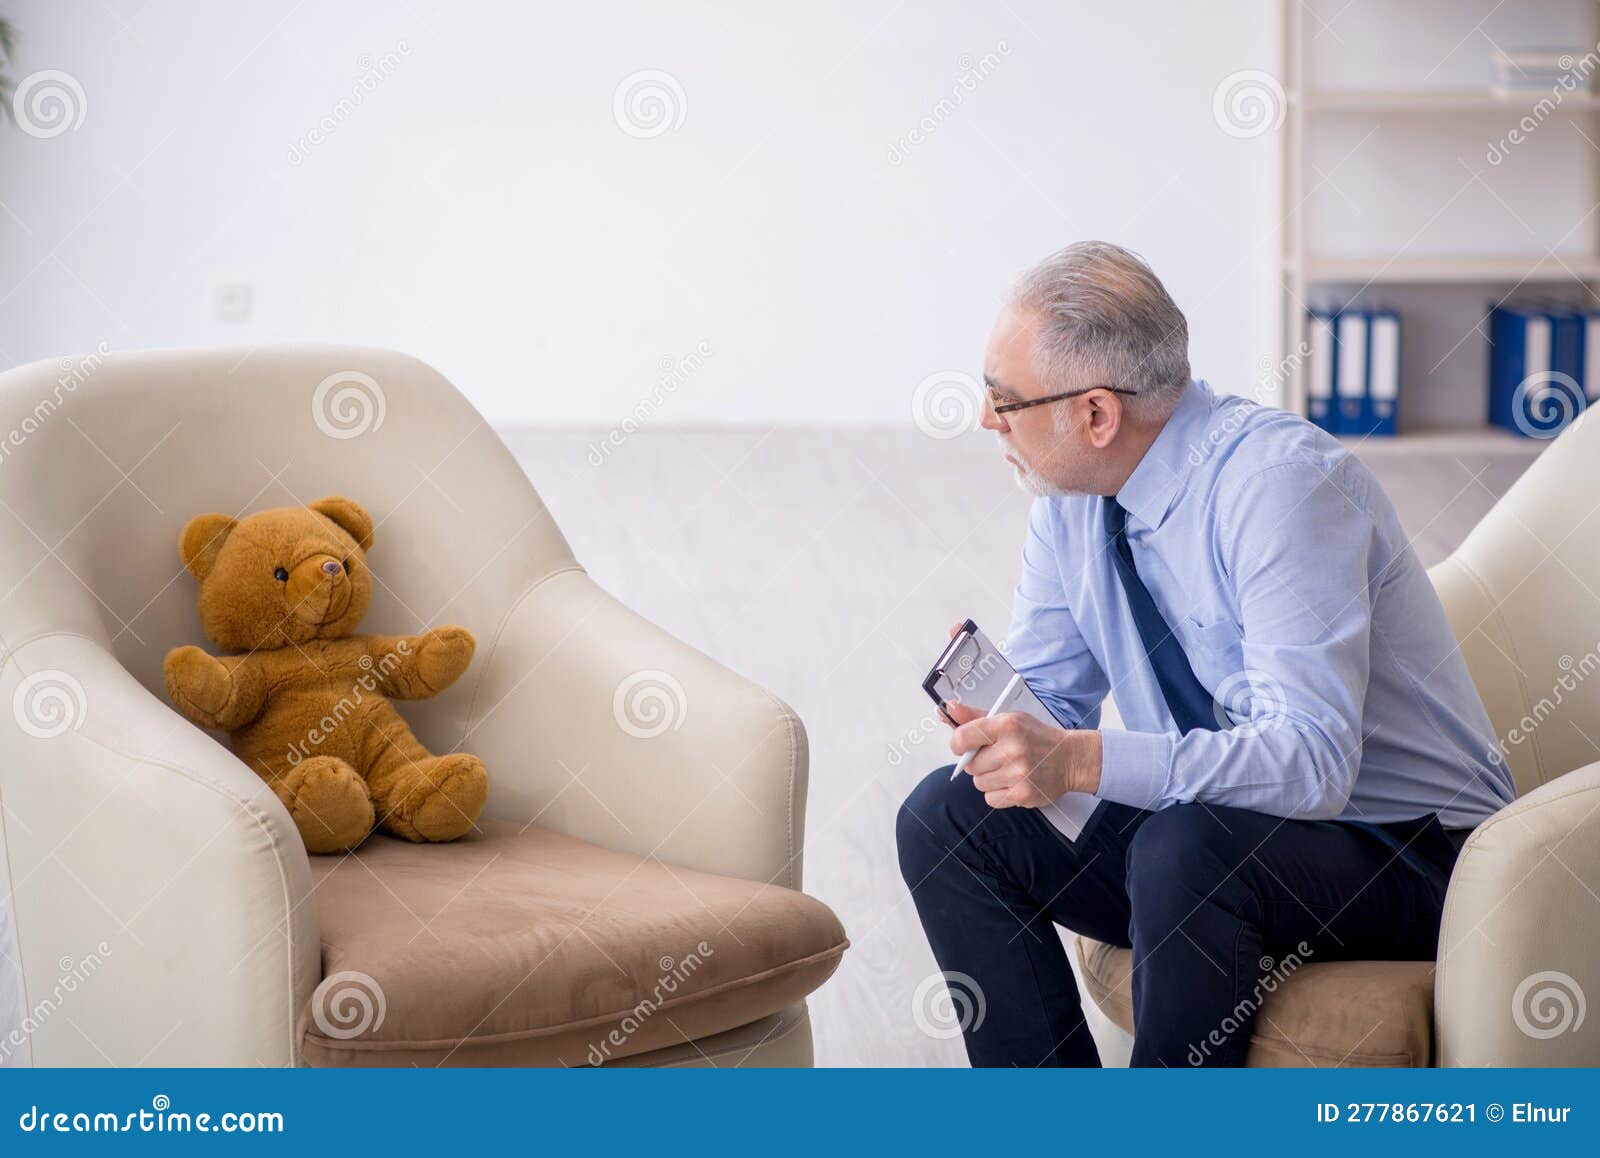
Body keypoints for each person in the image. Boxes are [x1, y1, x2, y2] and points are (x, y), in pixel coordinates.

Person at [895, 240, 1515, 1067]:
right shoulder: (1071, 497)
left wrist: (1079, 761)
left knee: (1184, 849)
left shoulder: (1281, 487)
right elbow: (1057, 704)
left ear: (1095, 415)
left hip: (1412, 854)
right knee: (948, 814)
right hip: (1219, 840)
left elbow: (1314, 763)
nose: (985, 419)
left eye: (1003, 400)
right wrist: (1005, 723)